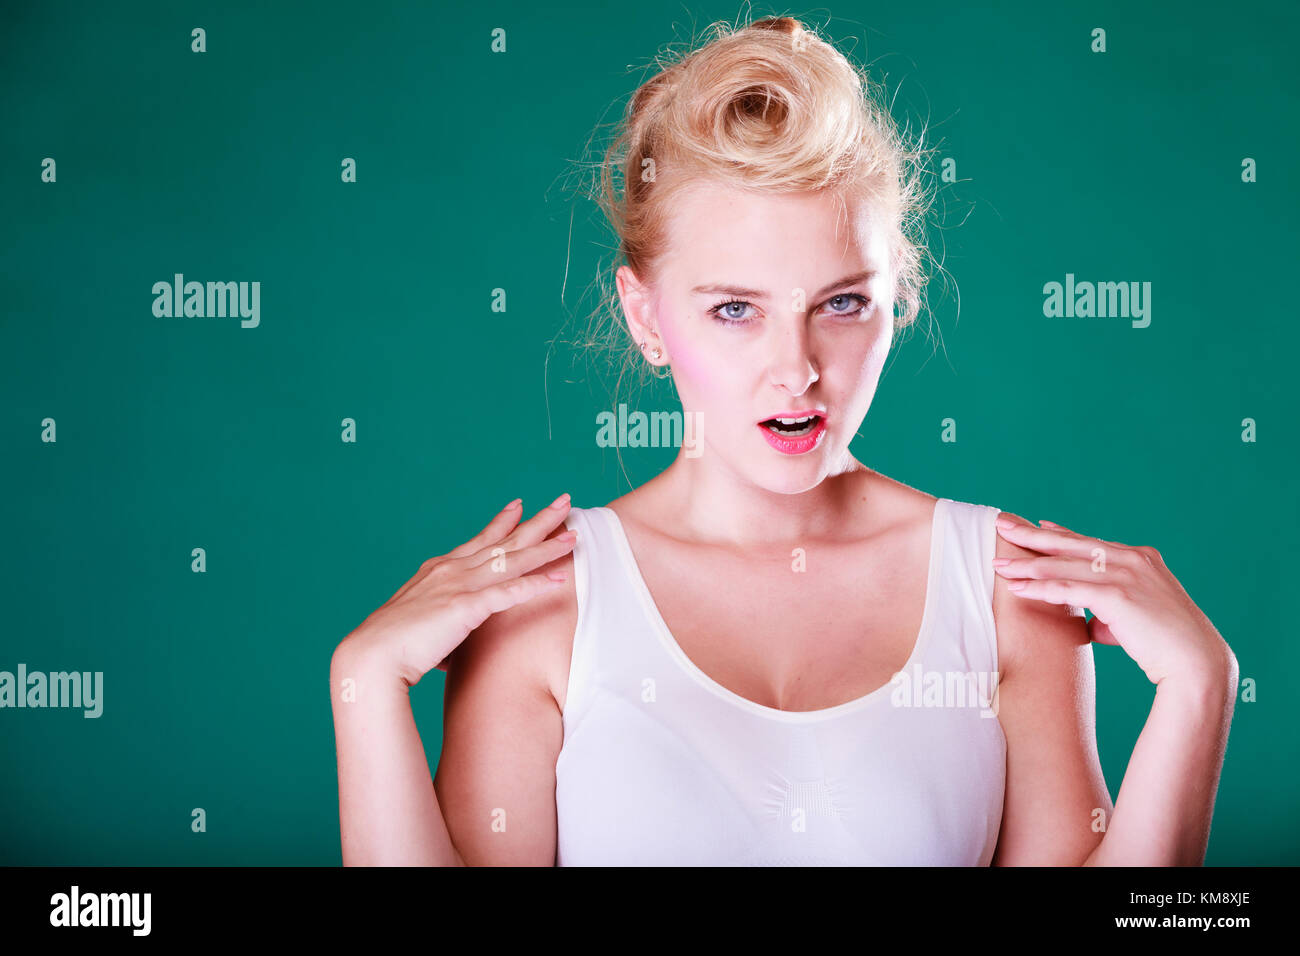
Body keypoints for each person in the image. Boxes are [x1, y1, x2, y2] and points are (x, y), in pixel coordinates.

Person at [329, 14, 1238, 866]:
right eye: (734, 309)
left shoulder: (1005, 590)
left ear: (897, 299)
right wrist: (364, 682)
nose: (795, 369)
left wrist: (1200, 694)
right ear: (644, 316)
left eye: (841, 304)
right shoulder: (541, 611)